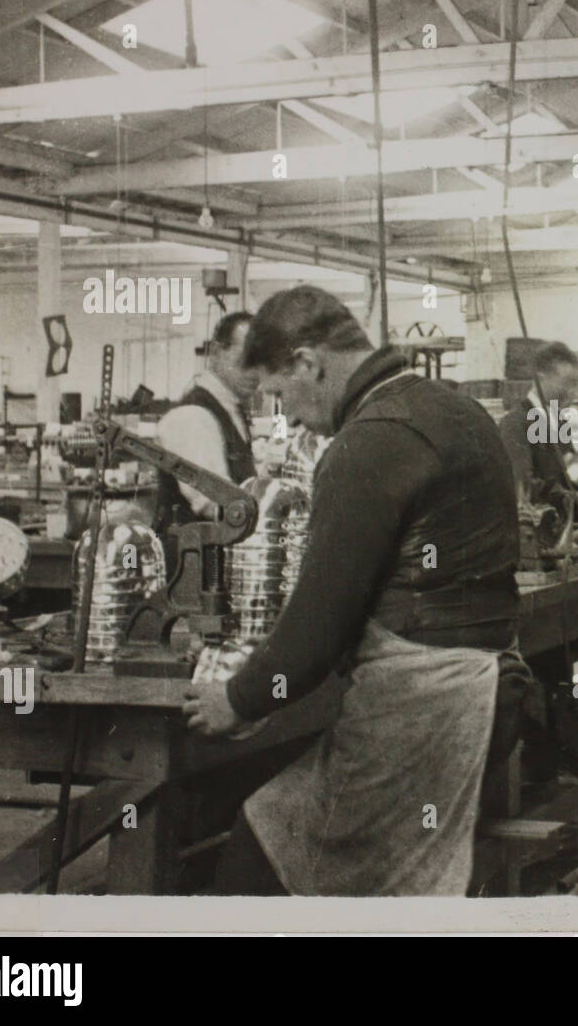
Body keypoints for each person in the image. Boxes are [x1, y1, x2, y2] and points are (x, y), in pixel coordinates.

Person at [182, 285, 521, 896]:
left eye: (281, 393)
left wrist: (238, 697)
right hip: (488, 684)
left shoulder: (367, 442)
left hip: (424, 705)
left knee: (262, 857)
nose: (285, 415)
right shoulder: (454, 407)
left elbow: (319, 624)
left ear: (309, 363)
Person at [153, 311, 258, 532]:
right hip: (192, 560)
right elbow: (216, 504)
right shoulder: (193, 416)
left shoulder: (231, 408)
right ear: (216, 353)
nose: (255, 372)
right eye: (245, 360)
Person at [497, 341, 578, 514]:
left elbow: (566, 474)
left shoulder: (560, 421)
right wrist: (566, 496)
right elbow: (522, 489)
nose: (572, 392)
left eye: (574, 384)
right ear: (541, 378)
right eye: (566, 383)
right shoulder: (515, 424)